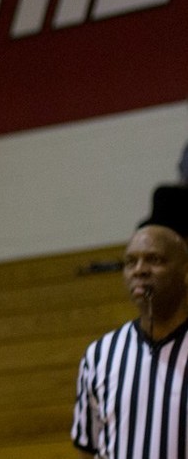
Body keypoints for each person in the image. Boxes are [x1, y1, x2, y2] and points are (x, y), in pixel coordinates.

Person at [71, 185, 188, 456]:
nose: (140, 270)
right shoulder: (100, 355)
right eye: (130, 262)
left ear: (185, 273)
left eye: (154, 260)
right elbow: (89, 449)